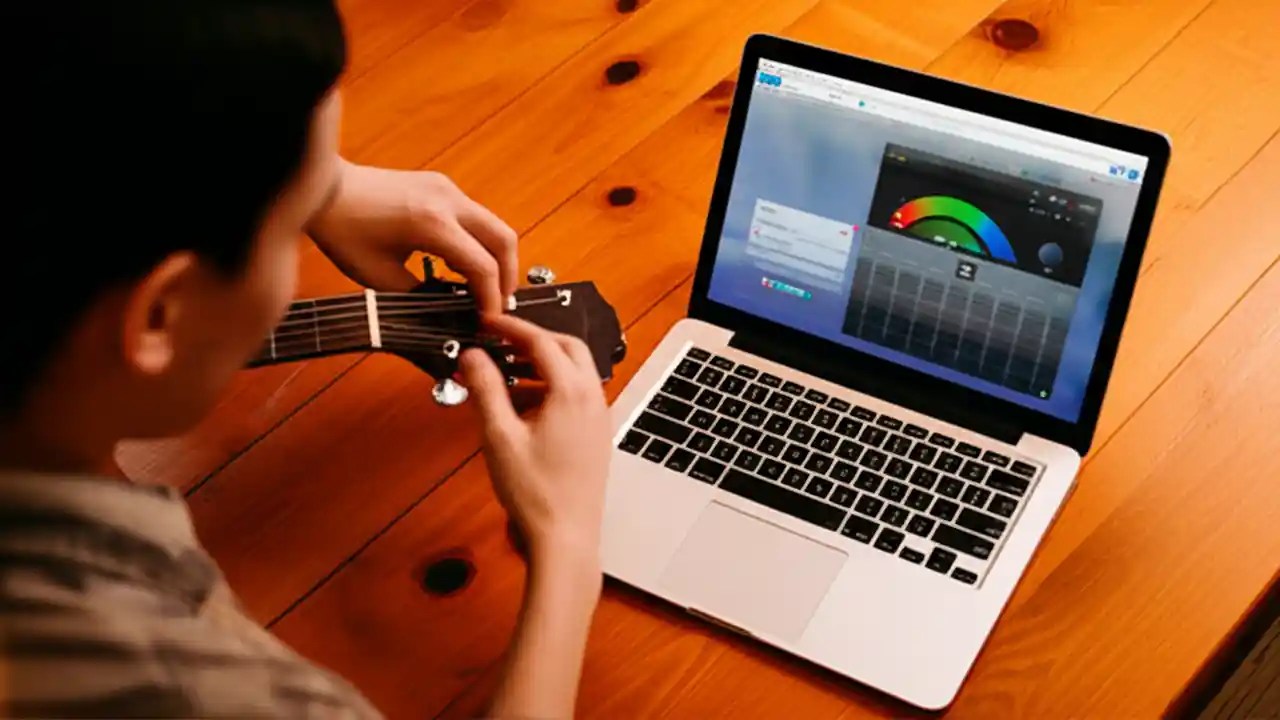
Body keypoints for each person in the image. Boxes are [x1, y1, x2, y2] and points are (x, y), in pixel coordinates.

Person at [0, 2, 612, 718]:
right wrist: (568, 542)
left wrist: (324, 182)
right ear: (161, 315)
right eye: (295, 227)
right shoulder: (191, 684)